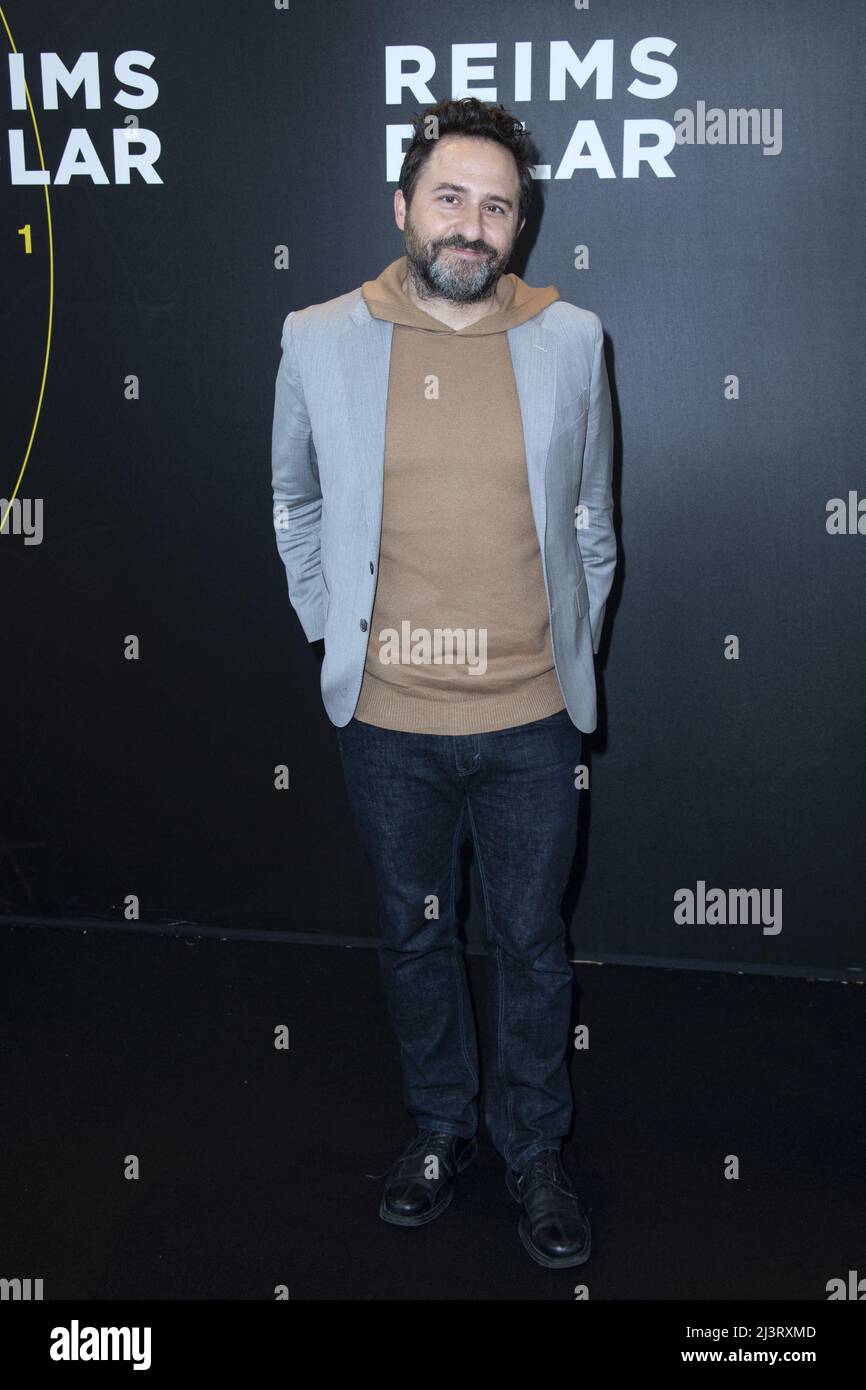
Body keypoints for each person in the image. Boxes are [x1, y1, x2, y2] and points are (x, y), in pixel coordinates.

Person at [271, 96, 615, 1269]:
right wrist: (335, 632)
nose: (472, 226)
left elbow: (593, 520)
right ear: (404, 206)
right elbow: (296, 503)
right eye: (451, 198)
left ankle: (532, 1150)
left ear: (520, 228)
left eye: (498, 207)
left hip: (529, 721)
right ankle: (436, 1130)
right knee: (414, 941)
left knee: (529, 944)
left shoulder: (572, 339)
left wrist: (565, 642)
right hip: (387, 720)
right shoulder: (319, 335)